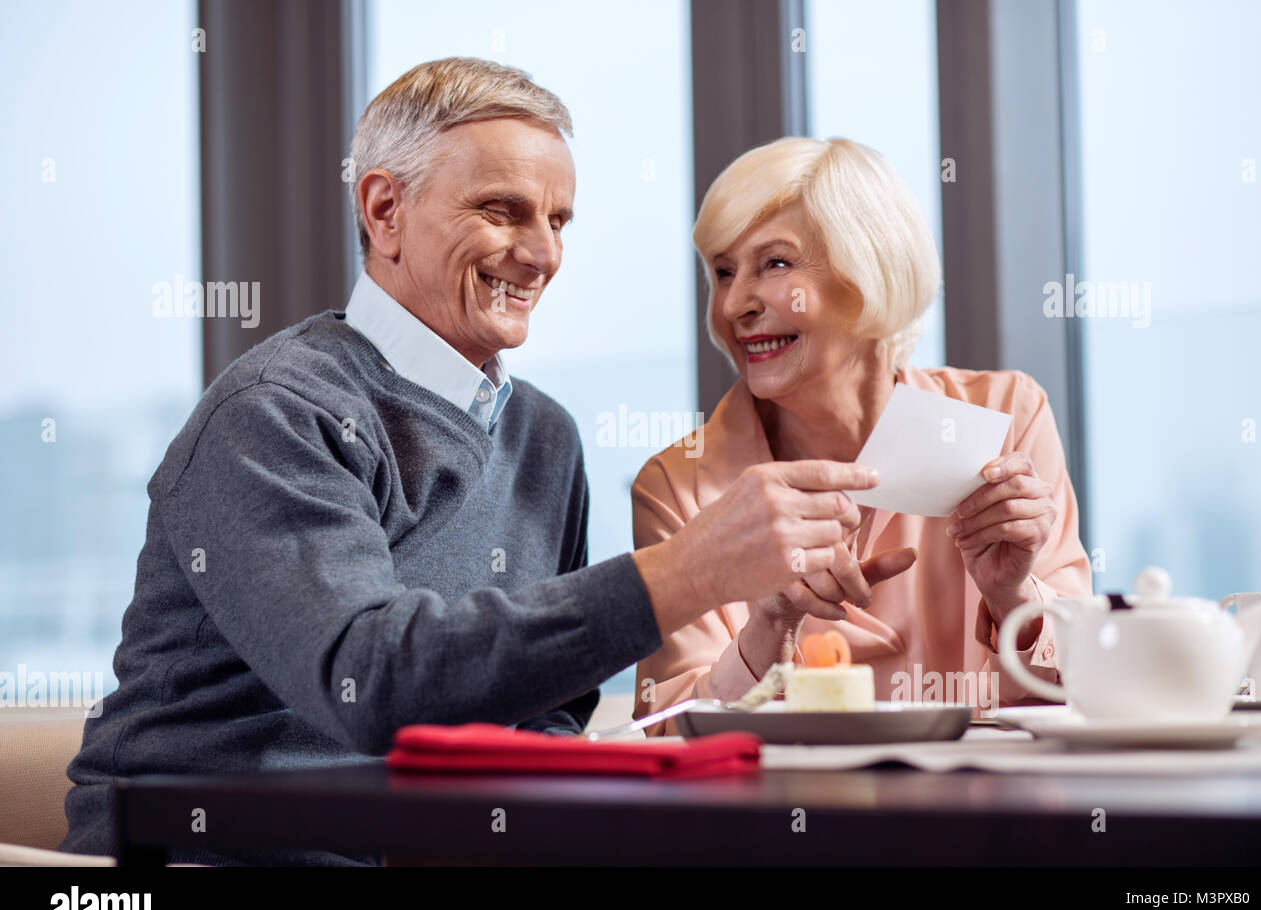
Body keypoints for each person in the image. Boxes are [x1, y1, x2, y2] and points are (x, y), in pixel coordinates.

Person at [61, 59, 885, 865]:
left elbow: (545, 722)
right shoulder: (275, 413)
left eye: (558, 221)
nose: (540, 254)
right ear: (385, 210)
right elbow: (370, 681)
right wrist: (684, 575)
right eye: (503, 211)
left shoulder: (544, 438)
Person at [632, 137, 1093, 733]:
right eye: (723, 273)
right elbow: (668, 734)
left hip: (982, 816)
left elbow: (1091, 694)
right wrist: (769, 625)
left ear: (869, 270)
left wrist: (1015, 600)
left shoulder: (1006, 414)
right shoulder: (678, 484)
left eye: (775, 263)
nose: (735, 304)